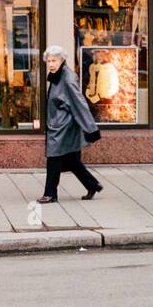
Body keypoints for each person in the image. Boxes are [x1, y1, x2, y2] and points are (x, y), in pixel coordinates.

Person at [39, 45, 102, 204]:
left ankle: (50, 193)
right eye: (49, 61)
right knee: (71, 161)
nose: (51, 64)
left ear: (62, 60)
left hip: (63, 126)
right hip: (58, 123)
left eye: (54, 60)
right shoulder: (57, 74)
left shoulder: (67, 77)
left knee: (53, 158)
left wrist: (91, 129)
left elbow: (79, 103)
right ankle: (92, 184)